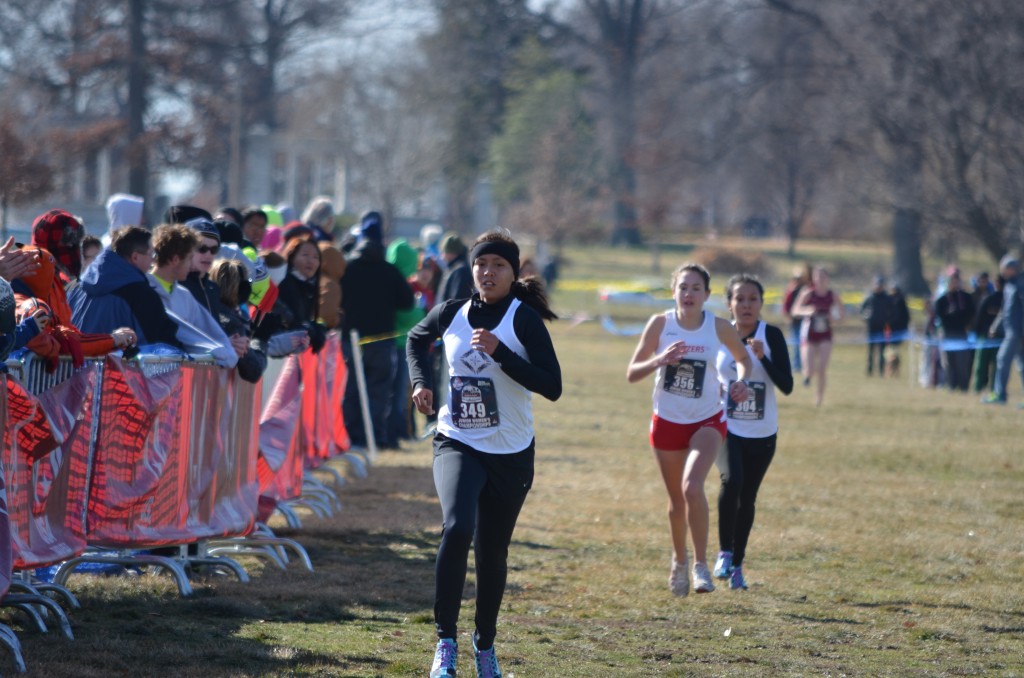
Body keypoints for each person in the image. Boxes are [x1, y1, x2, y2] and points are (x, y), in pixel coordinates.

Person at [406, 229, 561, 678]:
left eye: (498, 266)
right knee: (457, 528)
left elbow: (552, 386)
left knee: (492, 553)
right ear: (472, 269)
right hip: (457, 441)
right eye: (481, 264)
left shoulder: (523, 319)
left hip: (511, 452)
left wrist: (502, 354)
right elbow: (416, 339)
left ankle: (485, 644)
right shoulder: (452, 313)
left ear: (514, 274)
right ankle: (445, 642)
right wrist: (420, 383)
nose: (487, 272)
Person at [626, 263, 752, 598]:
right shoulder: (660, 324)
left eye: (696, 288)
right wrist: (659, 360)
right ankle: (678, 560)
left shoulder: (718, 326)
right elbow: (632, 372)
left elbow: (743, 358)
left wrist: (740, 381)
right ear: (674, 292)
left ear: (707, 295)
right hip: (666, 422)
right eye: (683, 287)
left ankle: (700, 566)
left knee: (692, 488)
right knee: (676, 501)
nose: (689, 294)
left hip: (707, 420)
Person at [713, 274, 792, 591]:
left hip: (762, 432)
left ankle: (737, 566)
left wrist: (763, 359)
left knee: (747, 498)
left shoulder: (770, 335)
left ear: (761, 303)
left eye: (753, 299)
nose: (746, 305)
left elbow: (786, 385)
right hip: (726, 426)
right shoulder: (719, 333)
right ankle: (724, 552)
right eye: (740, 299)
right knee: (731, 481)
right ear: (729, 303)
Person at [340, 210, 414, 449]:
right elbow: (407, 302)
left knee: (350, 389)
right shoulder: (389, 270)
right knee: (379, 391)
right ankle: (375, 436)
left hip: (350, 340)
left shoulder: (347, 268)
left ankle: (352, 437)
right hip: (382, 340)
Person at [70, 226, 182, 347]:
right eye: (152, 254)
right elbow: (164, 343)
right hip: (116, 365)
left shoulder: (75, 287)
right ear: (135, 257)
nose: (153, 261)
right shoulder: (141, 295)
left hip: (71, 364)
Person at [148, 223, 239, 368]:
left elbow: (211, 336)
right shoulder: (141, 290)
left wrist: (226, 351)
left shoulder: (185, 296)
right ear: (175, 259)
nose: (191, 265)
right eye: (190, 258)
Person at [792, 267, 843, 407]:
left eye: (822, 277)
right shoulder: (808, 293)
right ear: (813, 279)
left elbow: (842, 316)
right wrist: (807, 311)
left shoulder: (832, 295)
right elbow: (795, 310)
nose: (819, 280)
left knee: (822, 368)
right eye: (817, 277)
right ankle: (807, 376)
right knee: (809, 368)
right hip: (809, 333)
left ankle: (819, 398)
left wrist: (833, 318)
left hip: (825, 334)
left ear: (827, 279)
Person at [983, 255, 1024, 404]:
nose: (1002, 271)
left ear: (1012, 269)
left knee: (1002, 359)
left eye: (1005, 268)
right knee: (1021, 364)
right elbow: (1004, 310)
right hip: (1011, 330)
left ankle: (1000, 395)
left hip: (1016, 332)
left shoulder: (1020, 285)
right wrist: (995, 326)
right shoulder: (1009, 285)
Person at [932, 267, 975, 392]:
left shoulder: (966, 298)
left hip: (962, 332)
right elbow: (940, 315)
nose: (954, 283)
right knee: (948, 362)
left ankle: (963, 387)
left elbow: (971, 313)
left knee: (962, 361)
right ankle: (951, 385)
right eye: (952, 280)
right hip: (947, 333)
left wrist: (965, 323)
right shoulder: (942, 300)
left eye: (956, 280)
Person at [973, 275, 1004, 393]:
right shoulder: (988, 299)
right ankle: (978, 388)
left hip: (1000, 338)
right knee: (981, 365)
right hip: (985, 338)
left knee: (998, 366)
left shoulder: (1007, 299)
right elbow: (979, 318)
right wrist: (978, 334)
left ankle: (995, 389)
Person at [860, 275, 893, 376]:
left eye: (880, 284)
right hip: (871, 327)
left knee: (882, 350)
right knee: (870, 350)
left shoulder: (887, 298)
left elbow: (892, 311)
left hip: (882, 327)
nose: (878, 287)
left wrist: (888, 320)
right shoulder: (869, 297)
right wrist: (866, 317)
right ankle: (869, 370)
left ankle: (881, 370)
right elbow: (862, 310)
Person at [781, 265, 810, 372]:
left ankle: (804, 364)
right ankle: (796, 365)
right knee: (796, 343)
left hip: (805, 321)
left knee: (804, 343)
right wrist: (789, 315)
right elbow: (787, 306)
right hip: (795, 321)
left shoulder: (805, 290)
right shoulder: (792, 291)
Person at [886, 285, 910, 377]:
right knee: (891, 351)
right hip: (891, 330)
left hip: (898, 330)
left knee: (894, 351)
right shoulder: (889, 301)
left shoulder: (901, 302)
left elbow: (906, 317)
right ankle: (890, 369)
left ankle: (895, 369)